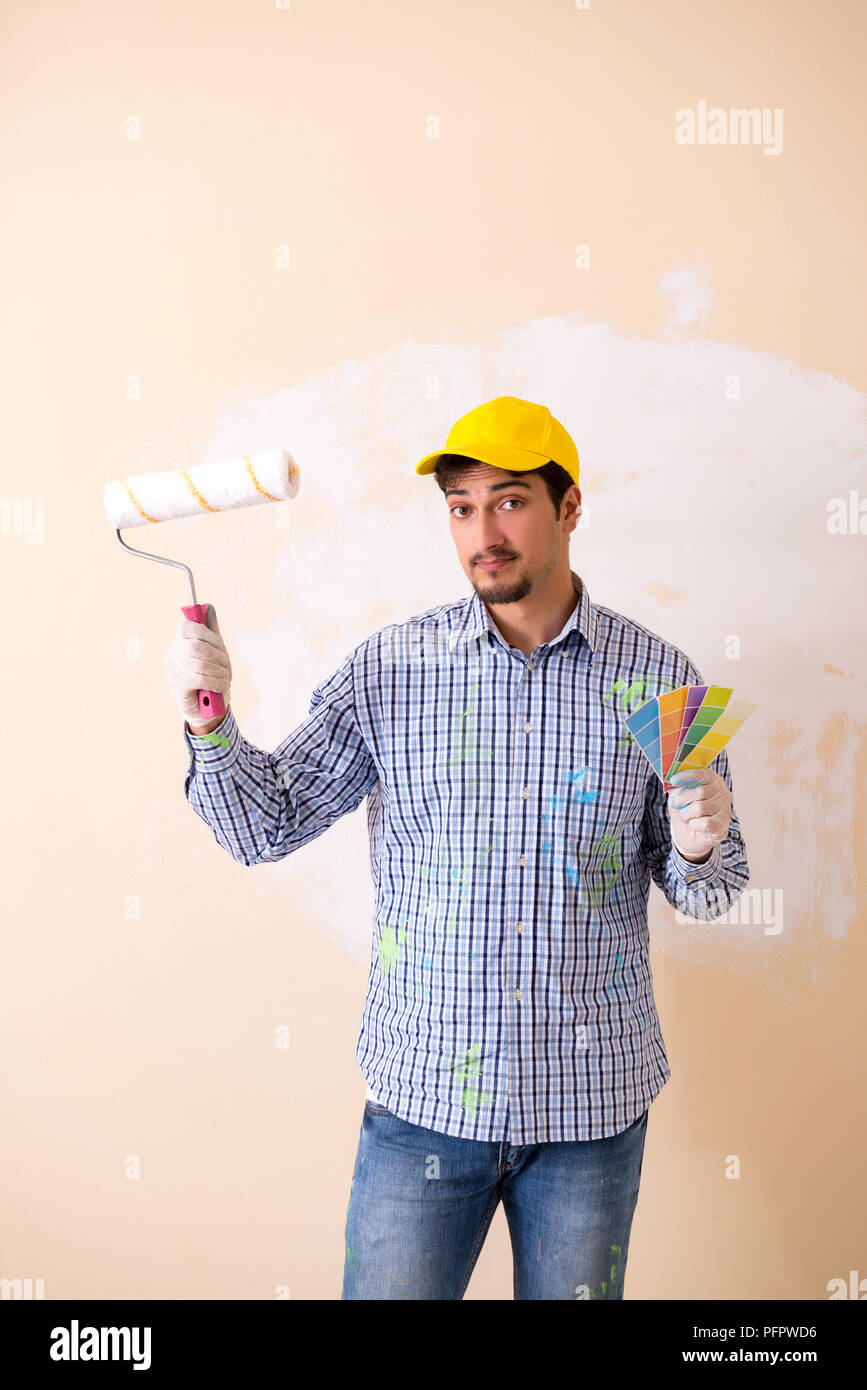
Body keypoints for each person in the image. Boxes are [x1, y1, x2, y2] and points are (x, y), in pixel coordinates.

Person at [165, 395, 749, 1300]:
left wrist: (702, 850)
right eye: (461, 507)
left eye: (510, 500)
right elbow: (264, 825)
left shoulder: (660, 681)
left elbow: (712, 893)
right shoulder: (390, 671)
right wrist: (208, 723)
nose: (484, 531)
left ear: (569, 508)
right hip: (425, 1107)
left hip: (590, 1111)